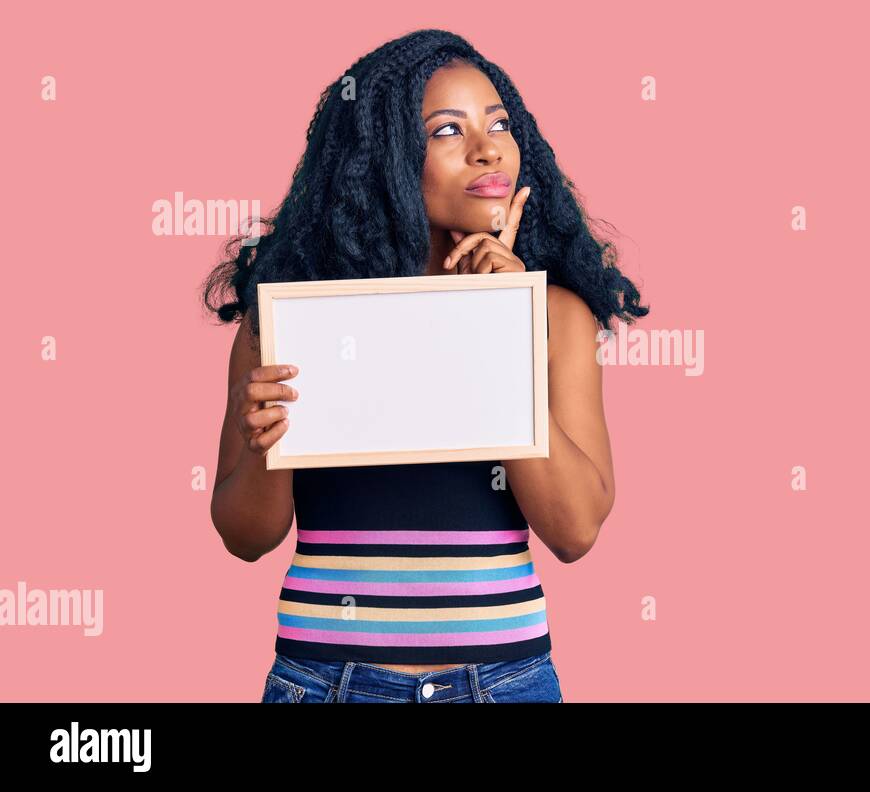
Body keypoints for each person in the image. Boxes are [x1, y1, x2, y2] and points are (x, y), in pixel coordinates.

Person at [200, 29, 648, 702]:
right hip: (325, 682)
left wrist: (498, 330)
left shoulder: (554, 316)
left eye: (500, 123)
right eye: (447, 130)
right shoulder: (294, 319)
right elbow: (244, 536)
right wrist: (269, 447)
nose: (488, 147)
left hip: (504, 682)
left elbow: (575, 528)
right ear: (382, 159)